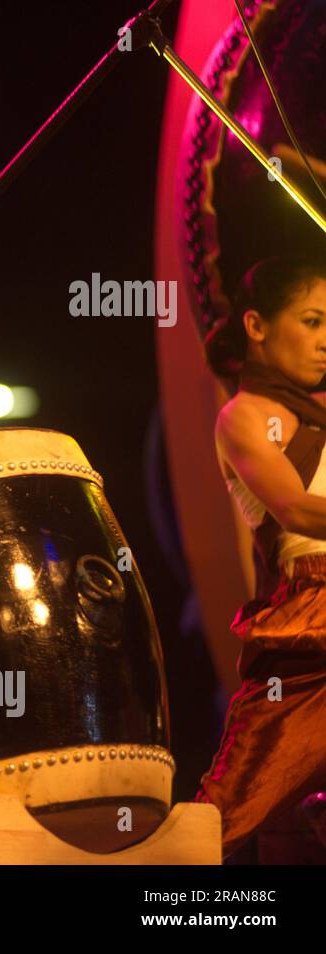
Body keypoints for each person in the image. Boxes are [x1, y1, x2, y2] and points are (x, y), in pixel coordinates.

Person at [198, 254, 326, 860]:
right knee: (228, 812)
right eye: (312, 321)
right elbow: (297, 510)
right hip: (312, 611)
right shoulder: (242, 416)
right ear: (256, 325)